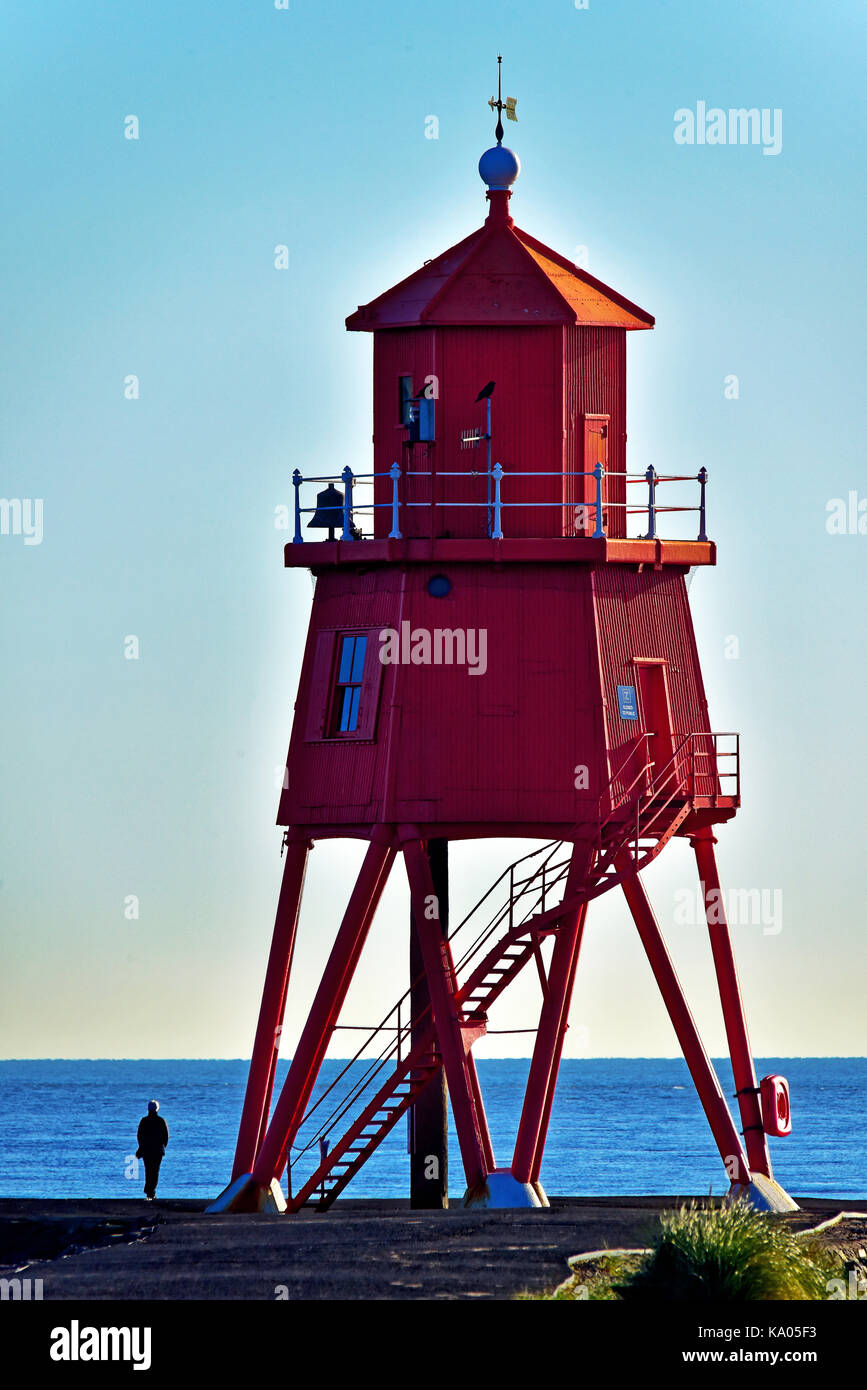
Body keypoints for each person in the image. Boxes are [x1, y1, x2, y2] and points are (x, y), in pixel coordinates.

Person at [136, 1100, 169, 1201]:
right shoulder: (161, 1121)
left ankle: (149, 1191)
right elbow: (166, 1136)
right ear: (157, 1109)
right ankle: (151, 1191)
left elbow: (139, 1136)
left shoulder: (144, 1121)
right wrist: (163, 1146)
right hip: (157, 1151)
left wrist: (141, 1147)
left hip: (146, 1150)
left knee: (148, 1170)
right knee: (155, 1171)